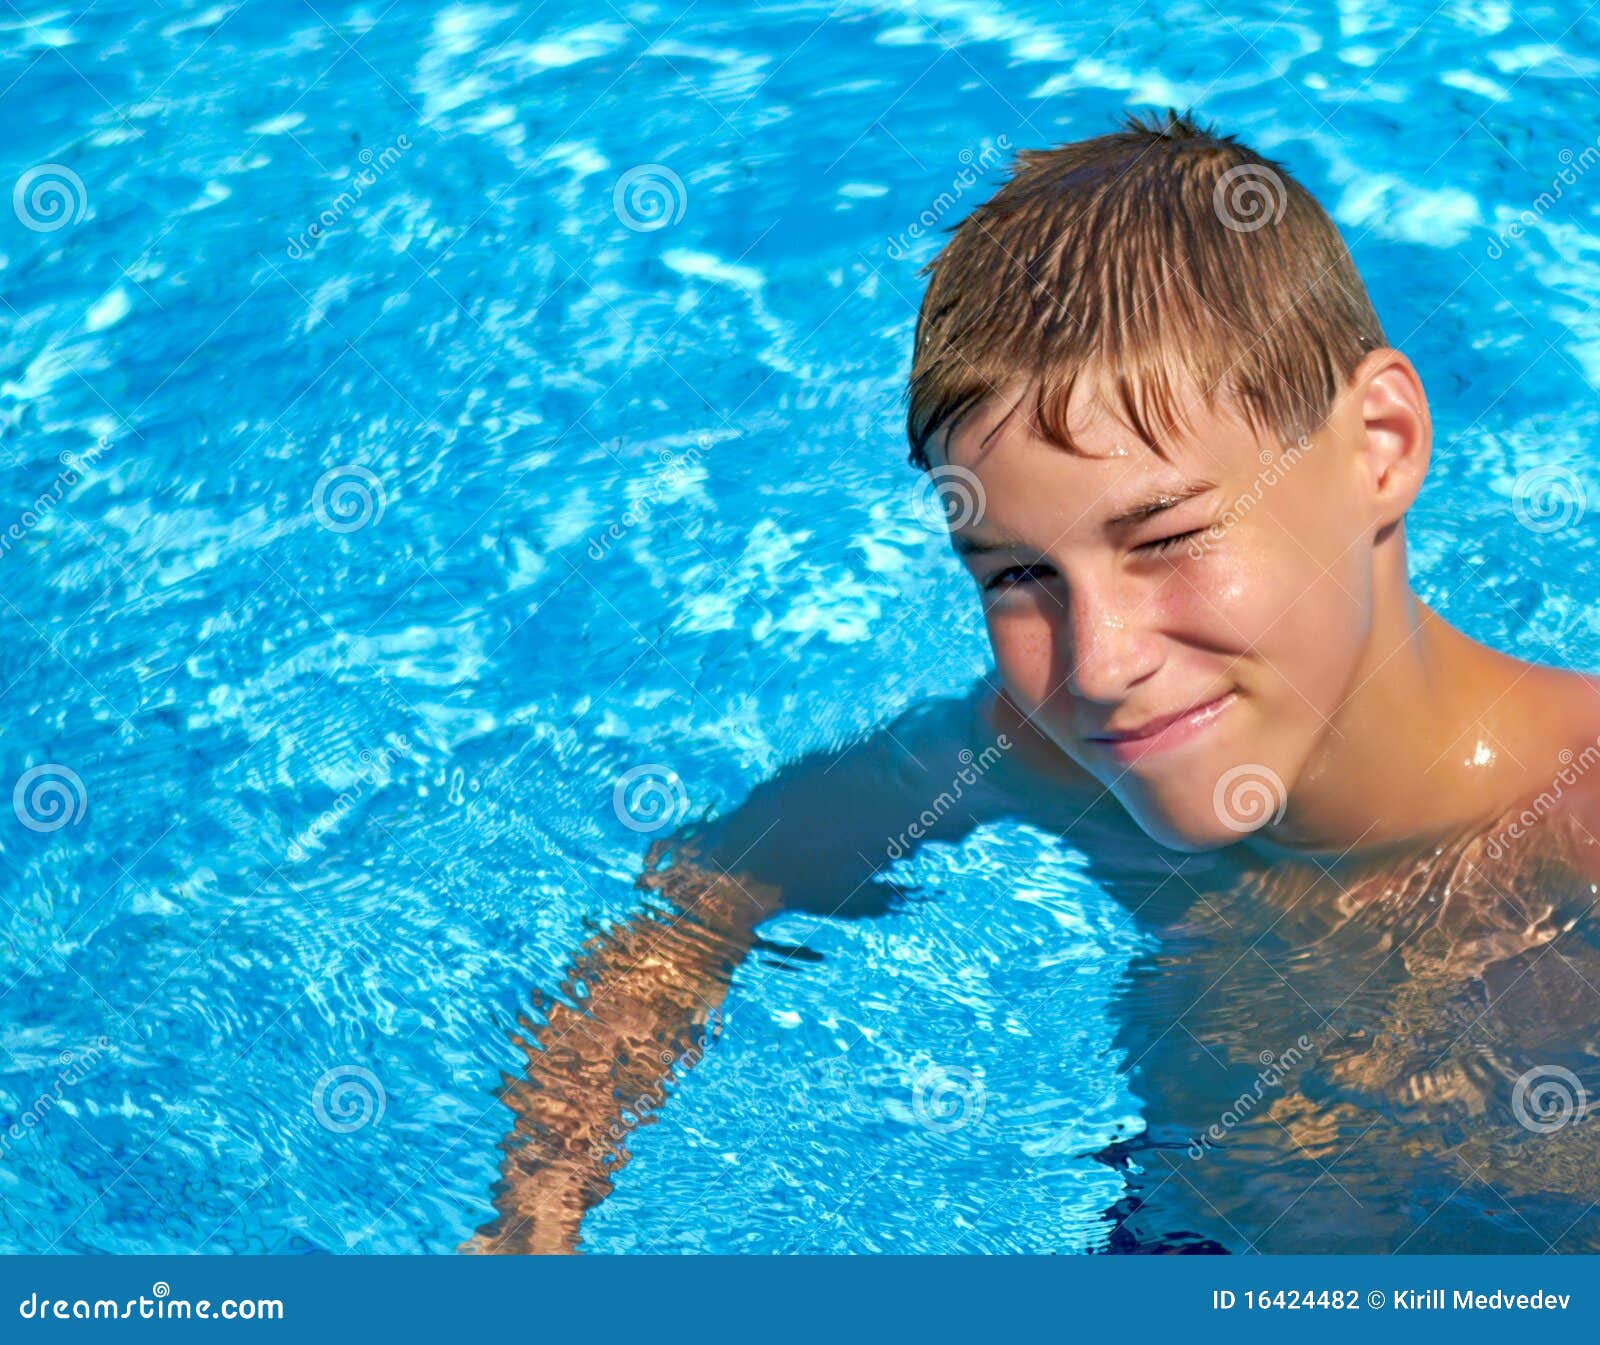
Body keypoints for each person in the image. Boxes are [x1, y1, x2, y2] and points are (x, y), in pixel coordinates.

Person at [463, 109, 1600, 1255]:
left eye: (1164, 538)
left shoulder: (1578, 818)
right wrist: (536, 1218)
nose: (1101, 663)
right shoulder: (1056, 760)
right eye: (1019, 574)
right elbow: (714, 888)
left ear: (1382, 446)